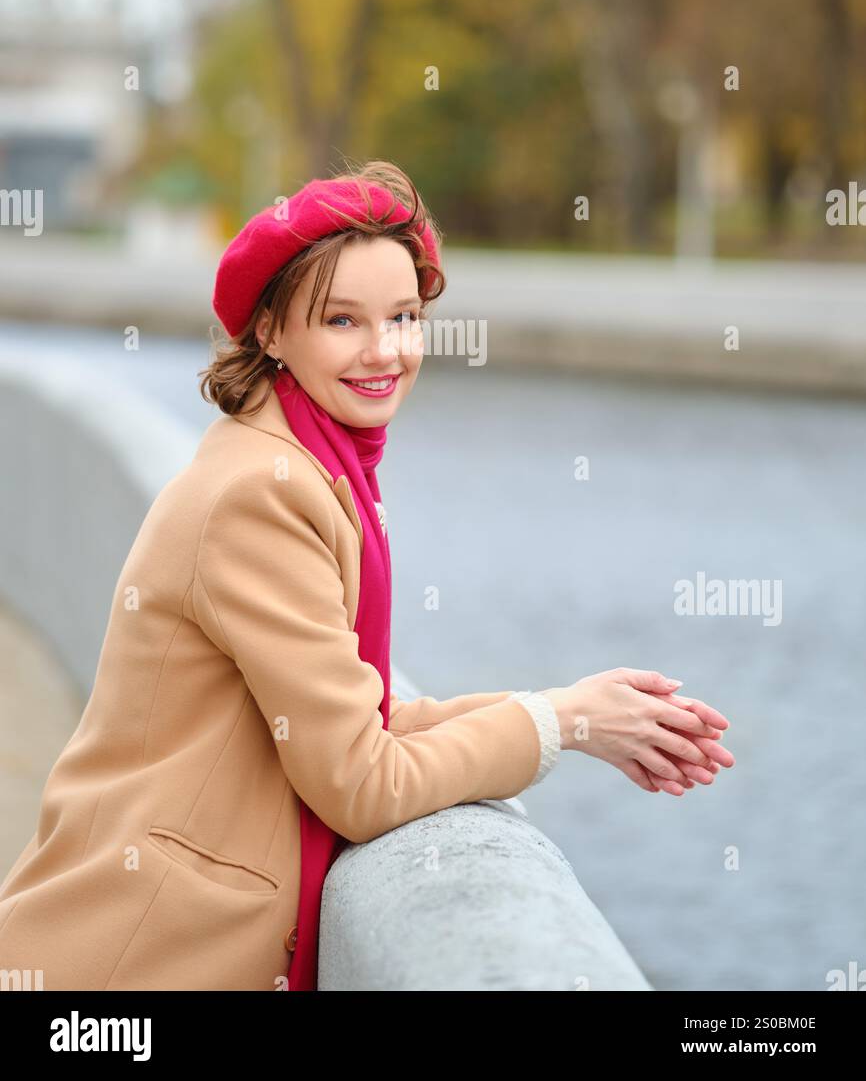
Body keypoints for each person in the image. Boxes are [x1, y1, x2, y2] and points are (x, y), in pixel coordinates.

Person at [0, 160, 733, 992]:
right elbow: (360, 781)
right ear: (271, 330)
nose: (384, 351)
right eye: (343, 321)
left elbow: (361, 717)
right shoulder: (259, 498)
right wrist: (557, 723)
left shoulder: (305, 467)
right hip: (123, 972)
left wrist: (581, 713)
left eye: (405, 318)